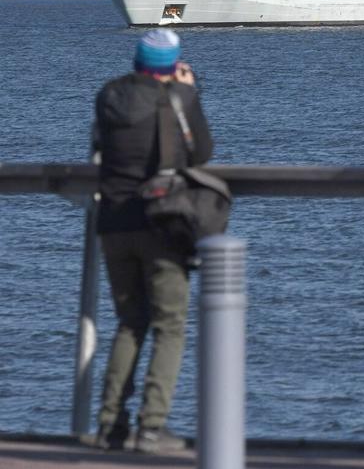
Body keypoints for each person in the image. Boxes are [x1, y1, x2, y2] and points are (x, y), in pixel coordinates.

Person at [91, 29, 213, 453]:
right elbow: (201, 154)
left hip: (113, 222)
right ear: (171, 66)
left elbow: (97, 147)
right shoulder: (178, 98)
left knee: (130, 322)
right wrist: (188, 92)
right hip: (161, 223)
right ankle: (151, 428)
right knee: (170, 325)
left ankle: (109, 425)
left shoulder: (109, 95)